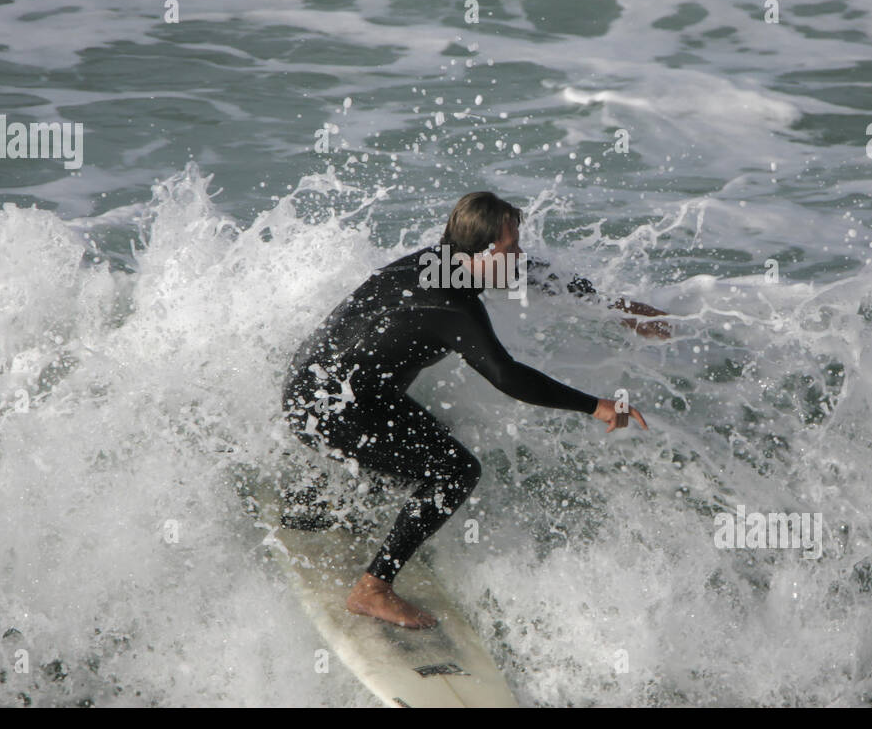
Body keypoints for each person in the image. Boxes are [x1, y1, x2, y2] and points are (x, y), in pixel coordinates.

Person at [280, 192, 667, 628]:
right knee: (454, 471)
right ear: (479, 253)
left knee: (423, 447)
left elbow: (534, 273)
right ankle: (373, 589)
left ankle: (314, 505)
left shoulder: (438, 261)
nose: (519, 256)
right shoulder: (450, 306)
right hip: (332, 411)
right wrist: (595, 405)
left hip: (316, 390)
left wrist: (617, 308)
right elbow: (507, 376)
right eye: (510, 248)